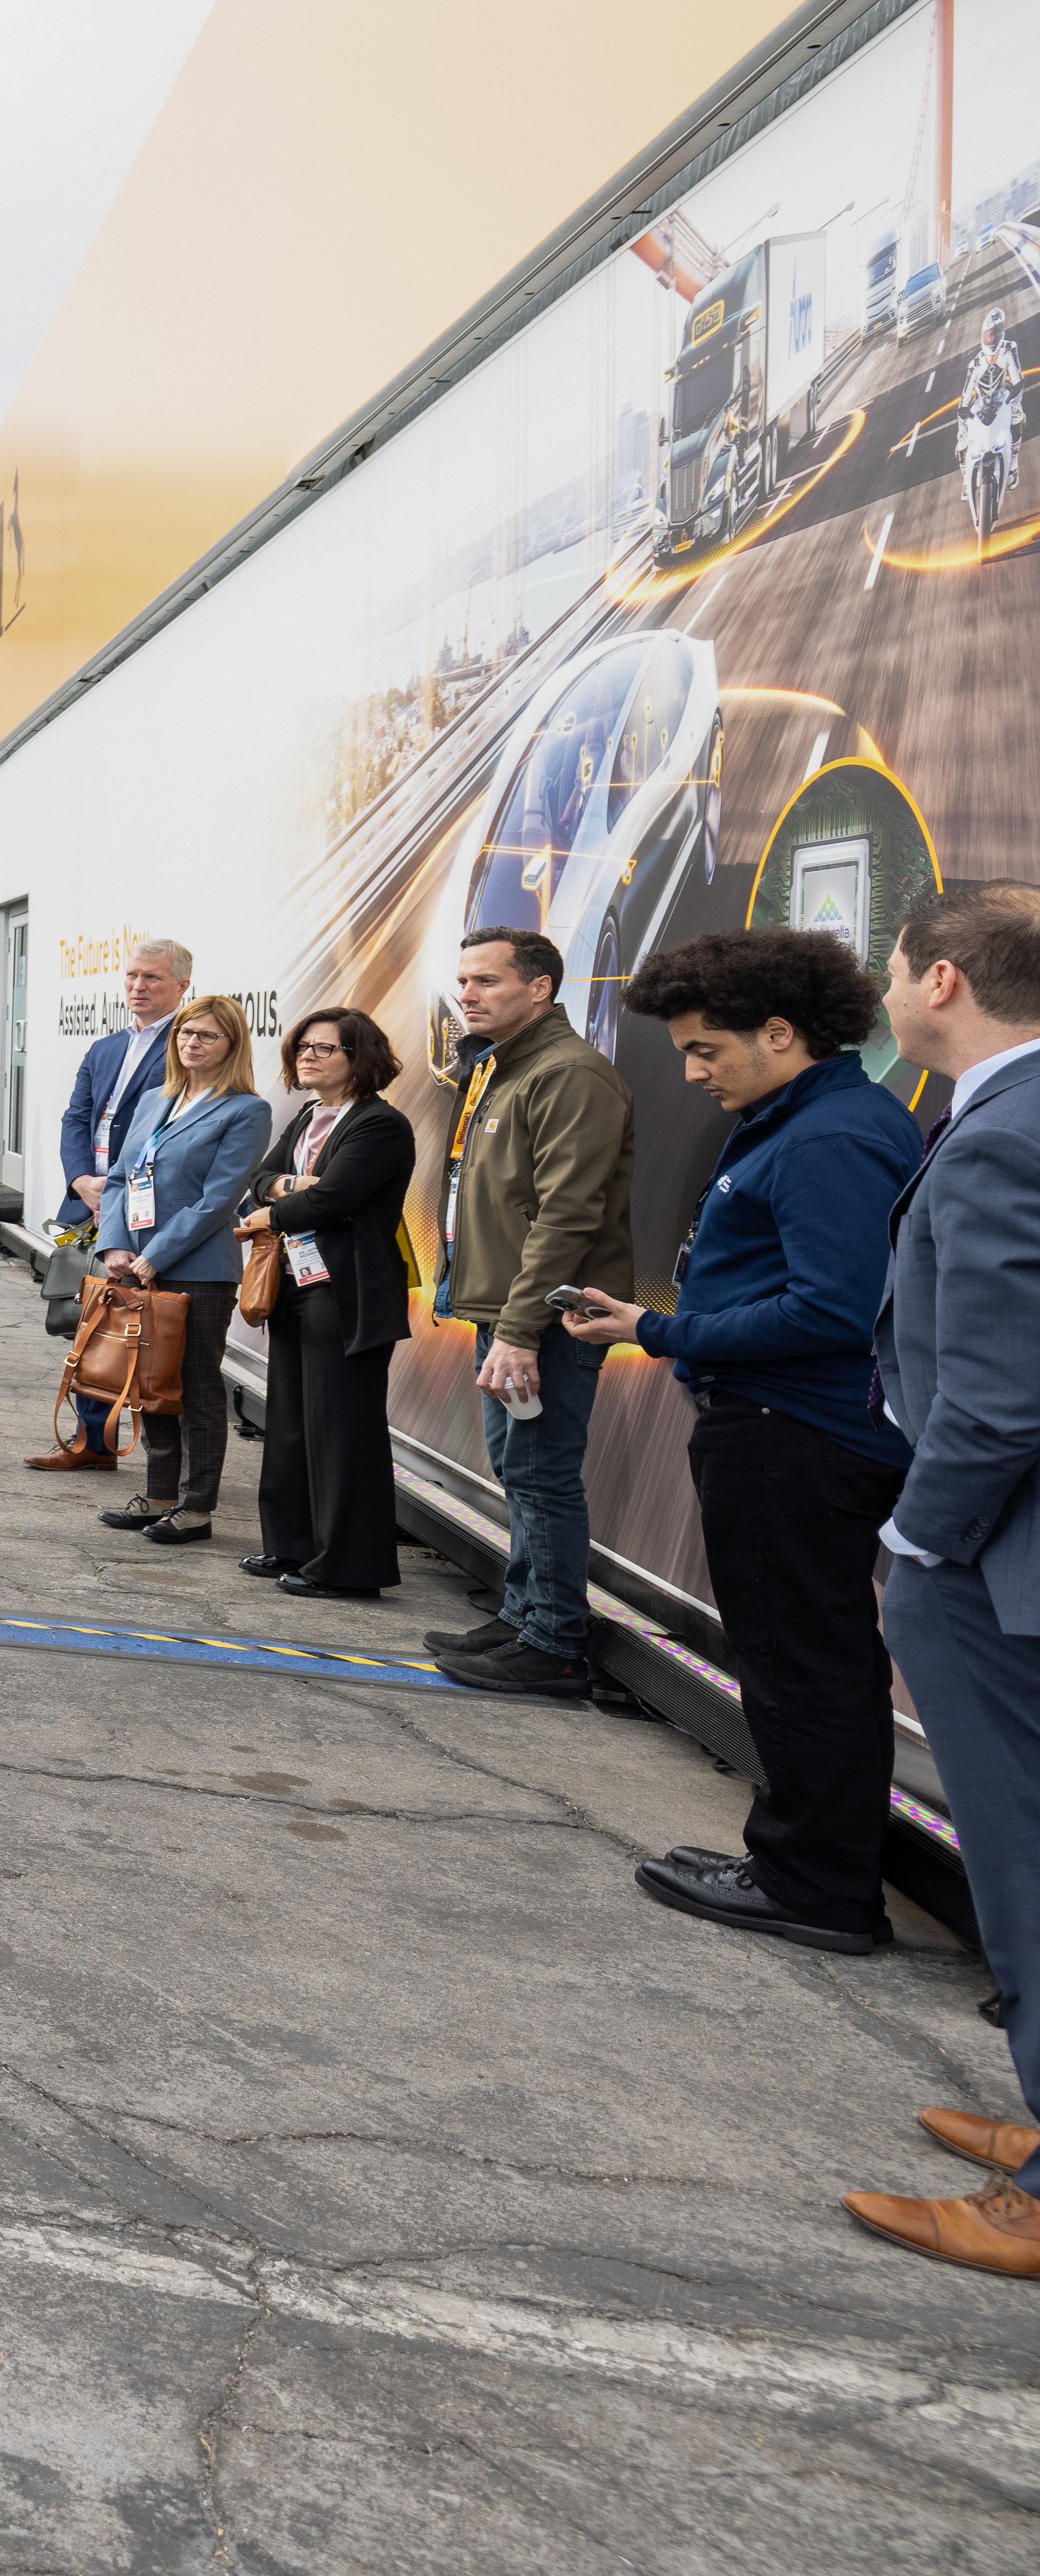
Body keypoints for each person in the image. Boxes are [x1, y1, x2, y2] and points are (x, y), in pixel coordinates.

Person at [544, 931, 920, 1948]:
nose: (691, 1072)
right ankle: (803, 1861)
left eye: (705, 1049)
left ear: (780, 1032)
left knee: (801, 1664)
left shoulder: (827, 1136)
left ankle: (814, 1887)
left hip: (793, 1435)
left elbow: (832, 1310)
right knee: (806, 1658)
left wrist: (655, 1329)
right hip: (788, 1429)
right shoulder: (809, 1118)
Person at [843, 884, 1040, 2279]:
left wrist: (919, 1535)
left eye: (895, 966)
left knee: (1024, 1862)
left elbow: (998, 1392)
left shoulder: (1004, 1134)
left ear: (946, 978)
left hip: (995, 1563)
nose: (888, 989)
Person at [429, 927, 638, 1698]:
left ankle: (553, 1643)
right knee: (519, 1470)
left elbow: (566, 1216)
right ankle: (524, 1617)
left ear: (540, 987)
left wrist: (518, 1331)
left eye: (486, 980)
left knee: (541, 1474)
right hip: (509, 1311)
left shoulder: (569, 1074)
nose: (467, 994)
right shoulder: (505, 1067)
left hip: (544, 1319)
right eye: (463, 981)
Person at [234, 1006, 415, 1599]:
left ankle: (347, 1569)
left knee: (342, 1429)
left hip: (346, 1292)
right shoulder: (308, 1116)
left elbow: (333, 1198)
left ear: (359, 1057)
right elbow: (258, 1180)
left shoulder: (379, 1125)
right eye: (302, 1047)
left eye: (323, 1048)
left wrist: (276, 1208)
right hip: (293, 1284)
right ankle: (291, 1545)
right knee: (289, 1421)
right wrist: (291, 1187)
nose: (306, 1056)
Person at [89, 996, 270, 1544]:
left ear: (232, 1045)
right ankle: (159, 1494)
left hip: (197, 1270)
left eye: (207, 1036)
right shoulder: (154, 1099)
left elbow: (219, 1200)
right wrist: (114, 1245)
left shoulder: (245, 1110)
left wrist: (156, 1256)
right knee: (150, 1385)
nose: (192, 1043)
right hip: (134, 1264)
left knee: (195, 1389)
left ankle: (196, 1508)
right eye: (186, 1033)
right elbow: (119, 1179)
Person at [38, 937, 193, 1473]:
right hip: (89, 1202)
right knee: (90, 1323)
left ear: (182, 986)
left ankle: (165, 1462)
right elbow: (76, 1118)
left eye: (152, 977)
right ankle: (93, 1441)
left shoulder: (187, 1044)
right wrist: (81, 1179)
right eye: (132, 976)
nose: (137, 986)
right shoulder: (105, 1048)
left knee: (149, 1334)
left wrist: (120, 1190)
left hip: (147, 1209)